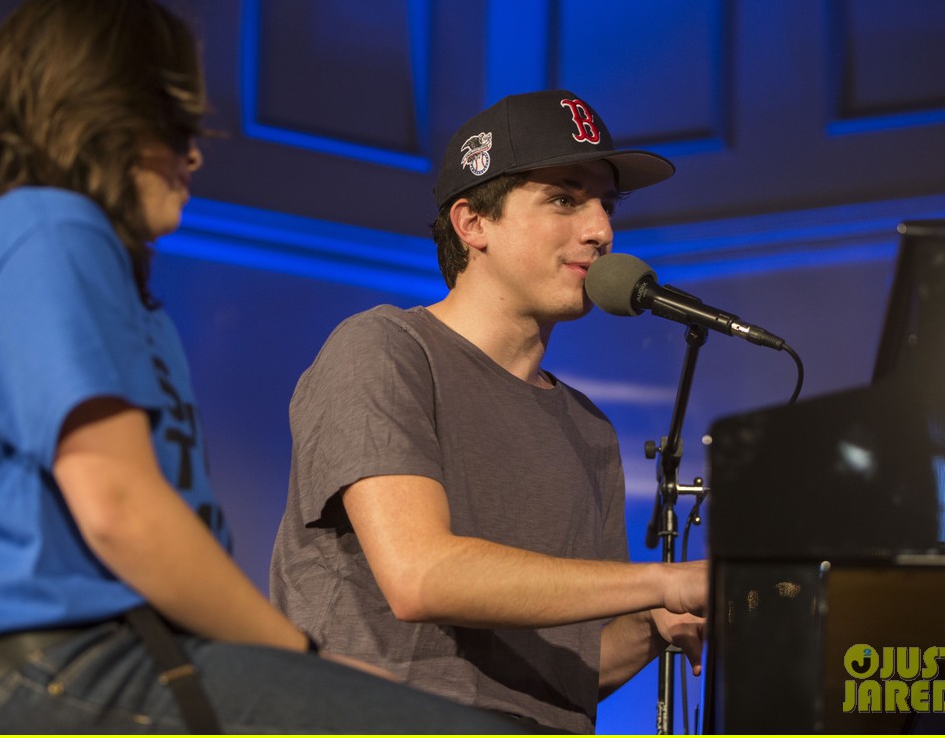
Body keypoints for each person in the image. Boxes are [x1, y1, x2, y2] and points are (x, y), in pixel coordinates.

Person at [0, 0, 528, 734]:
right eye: (174, 121)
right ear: (105, 113)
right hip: (71, 675)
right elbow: (120, 509)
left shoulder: (70, 254)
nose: (193, 154)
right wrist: (302, 655)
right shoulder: (49, 229)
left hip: (125, 663)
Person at [270, 90, 708, 734]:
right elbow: (420, 575)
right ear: (472, 223)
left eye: (606, 205)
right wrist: (661, 581)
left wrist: (656, 626)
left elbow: (569, 672)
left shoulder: (588, 427)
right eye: (564, 198)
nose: (602, 231)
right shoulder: (385, 348)